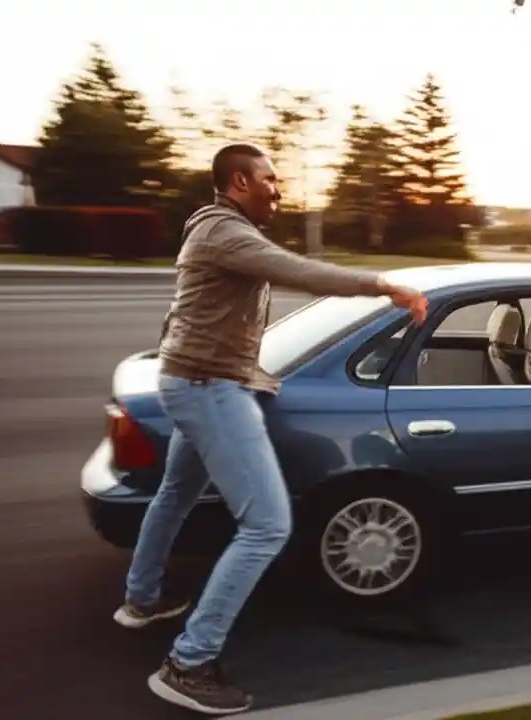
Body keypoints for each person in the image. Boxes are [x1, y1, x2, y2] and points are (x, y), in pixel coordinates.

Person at [113, 143, 427, 714]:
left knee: (177, 493)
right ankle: (190, 661)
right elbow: (300, 271)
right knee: (266, 525)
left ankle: (140, 599)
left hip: (194, 380)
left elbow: (186, 312)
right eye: (270, 179)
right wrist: (384, 285)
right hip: (209, 388)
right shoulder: (225, 234)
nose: (278, 189)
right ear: (239, 181)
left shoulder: (215, 231)